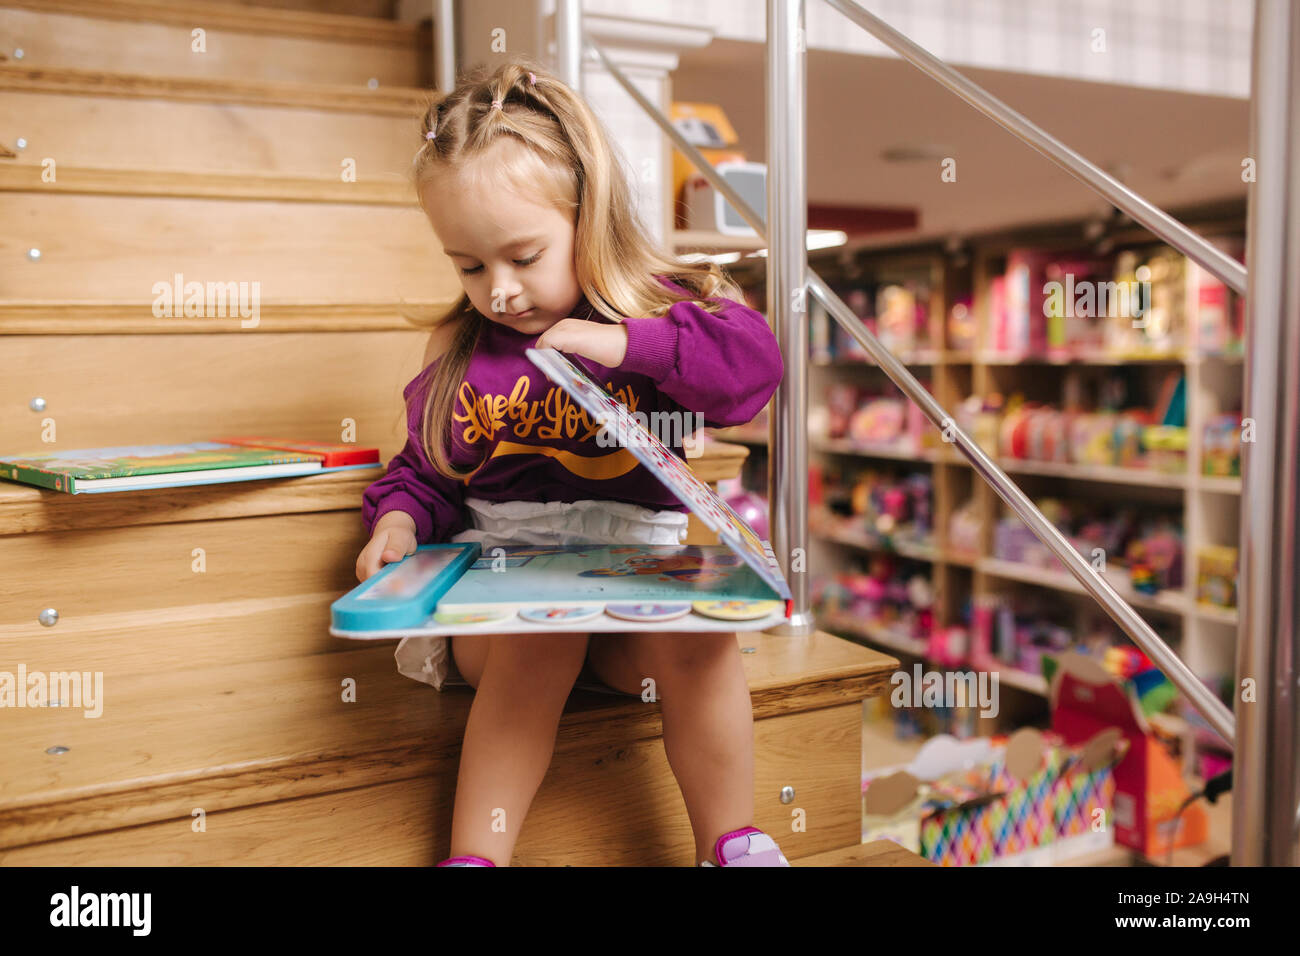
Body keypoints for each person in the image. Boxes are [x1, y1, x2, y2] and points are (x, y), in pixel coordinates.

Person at [355, 55, 787, 868]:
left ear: (590, 215)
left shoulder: (660, 315)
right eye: (470, 266)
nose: (501, 292)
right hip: (507, 599)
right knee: (537, 640)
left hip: (633, 602)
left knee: (701, 640)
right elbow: (427, 469)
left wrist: (625, 341)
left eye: (523, 256)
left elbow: (751, 369)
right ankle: (476, 858)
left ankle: (732, 844)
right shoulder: (459, 346)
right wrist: (401, 519)